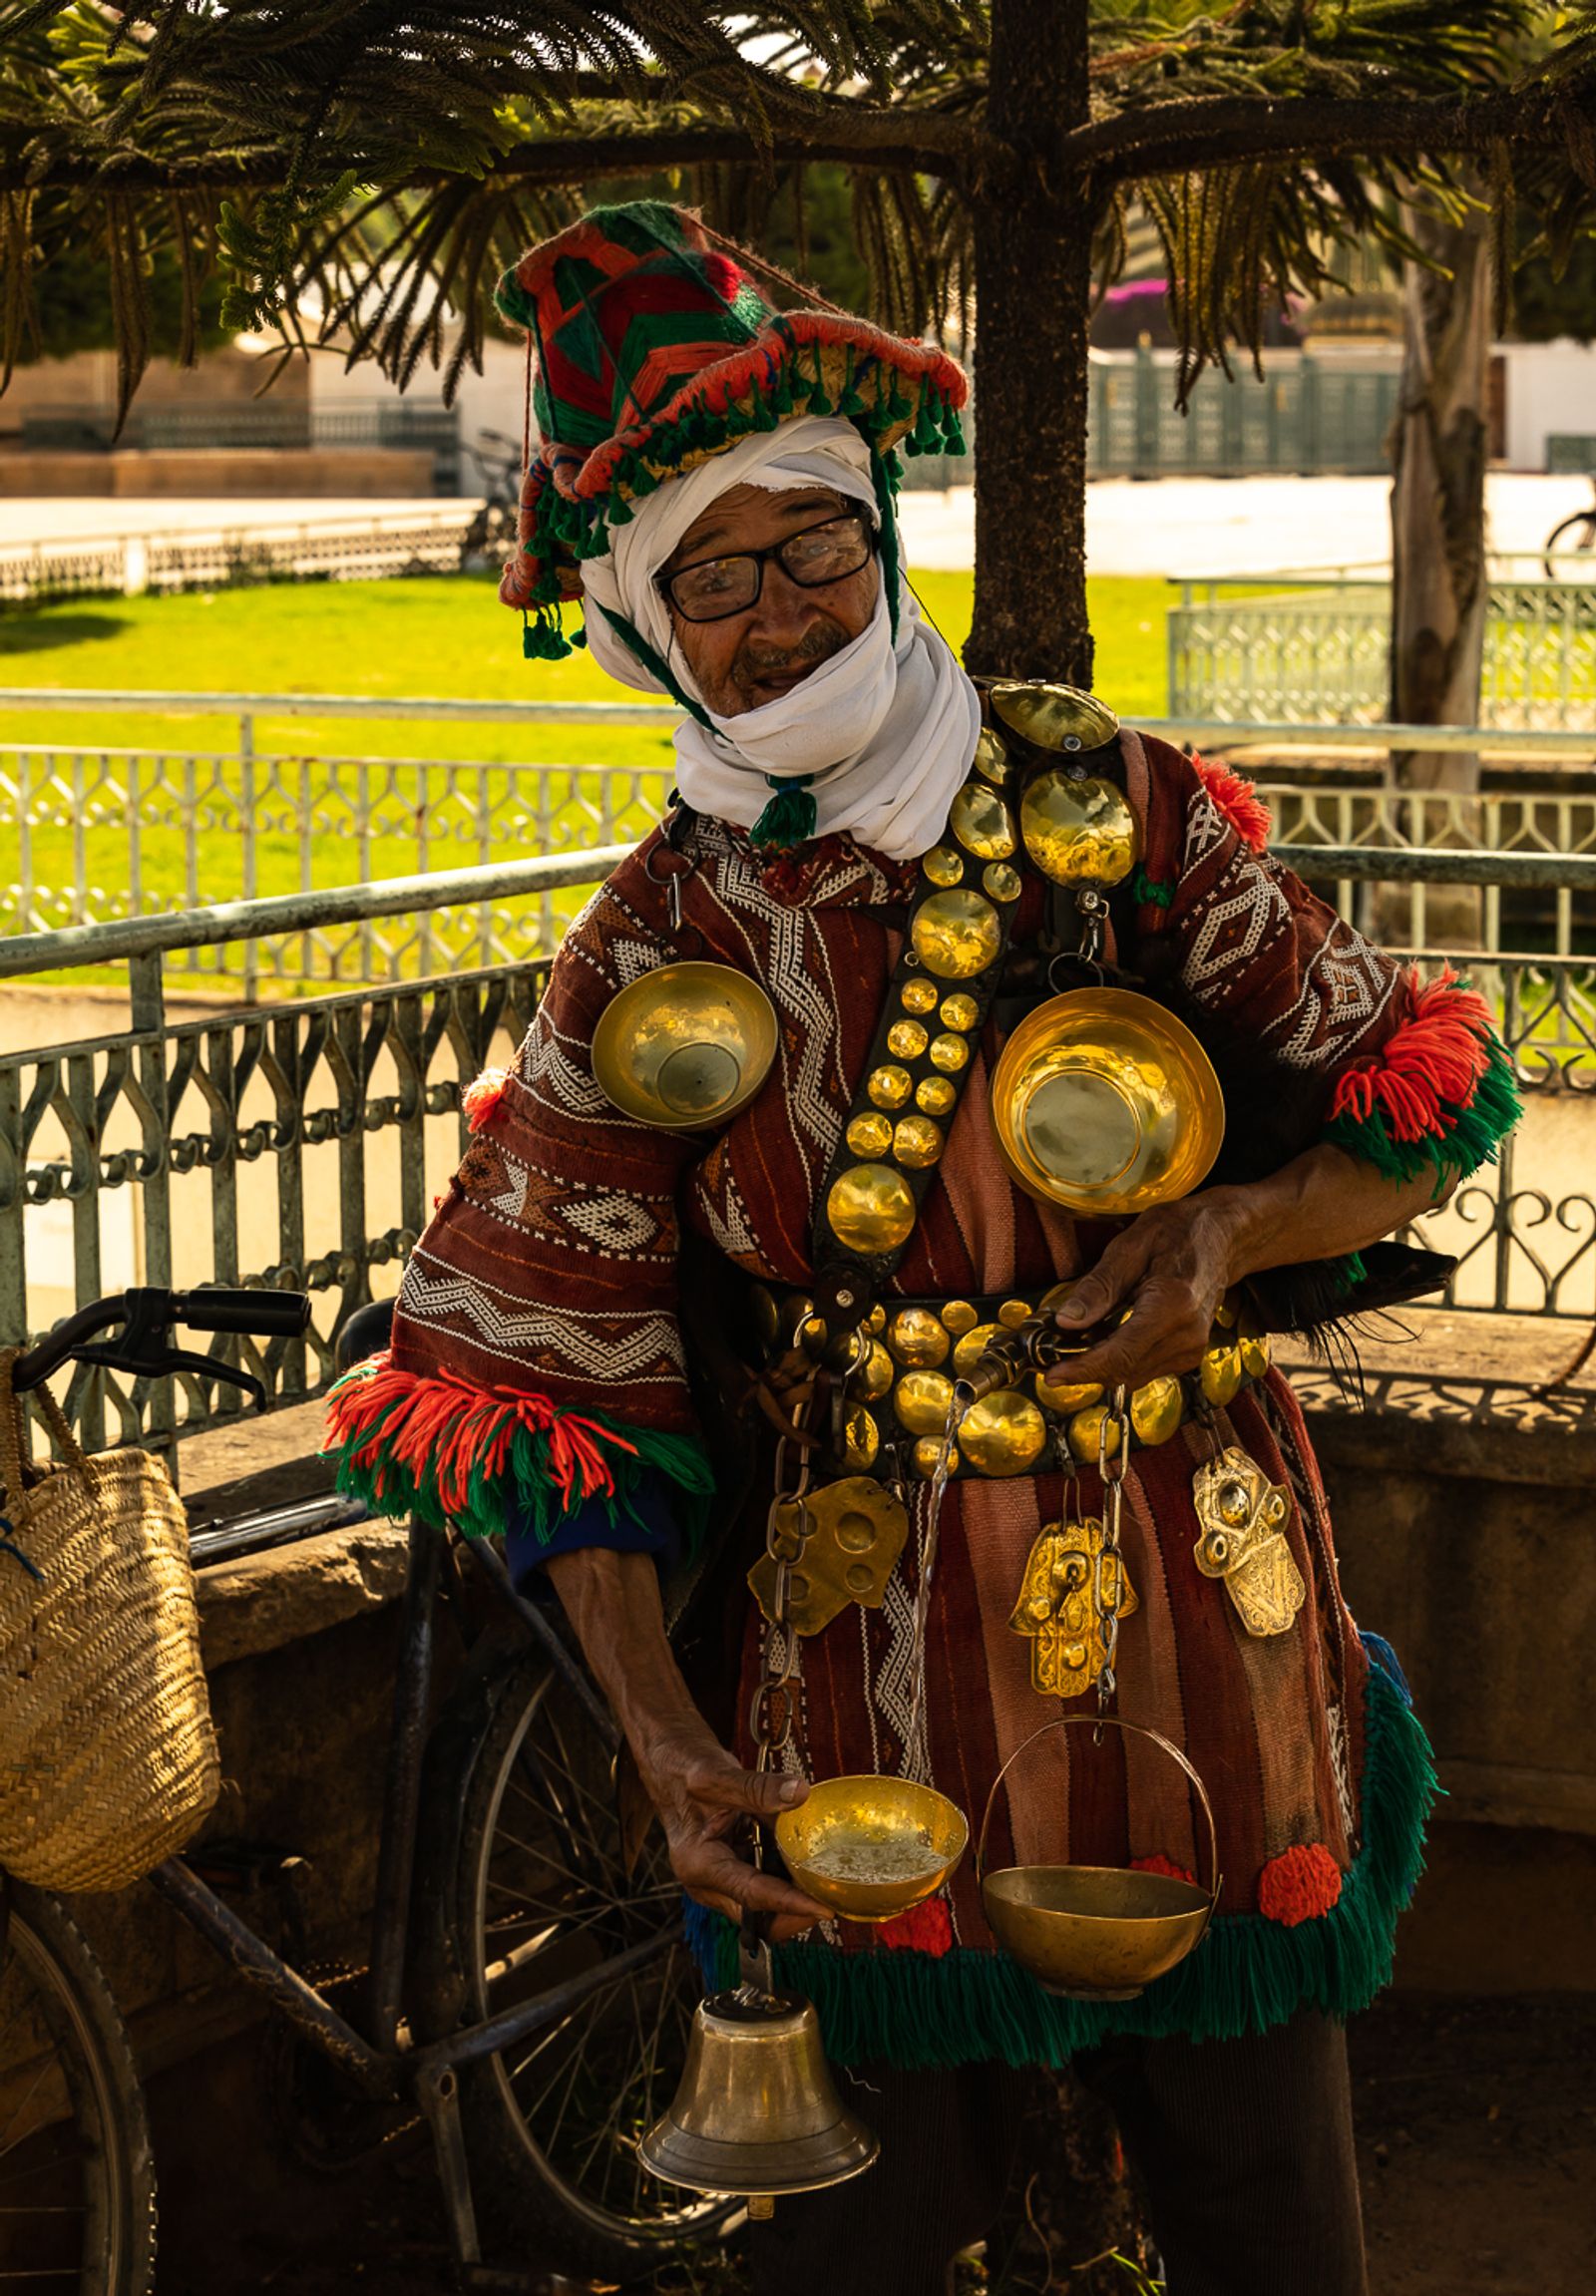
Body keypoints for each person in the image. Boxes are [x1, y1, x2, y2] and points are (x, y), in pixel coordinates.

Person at [324, 200, 1519, 2296]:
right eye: (719, 575)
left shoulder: (1121, 810)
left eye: (817, 547)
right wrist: (662, 1739)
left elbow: (1409, 1096)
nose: (784, 610)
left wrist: (1231, 1227)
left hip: (1191, 1603)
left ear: (882, 537)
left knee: (1262, 2202)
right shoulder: (654, 942)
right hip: (852, 1648)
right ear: (642, 625)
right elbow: (546, 1371)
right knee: (851, 2235)